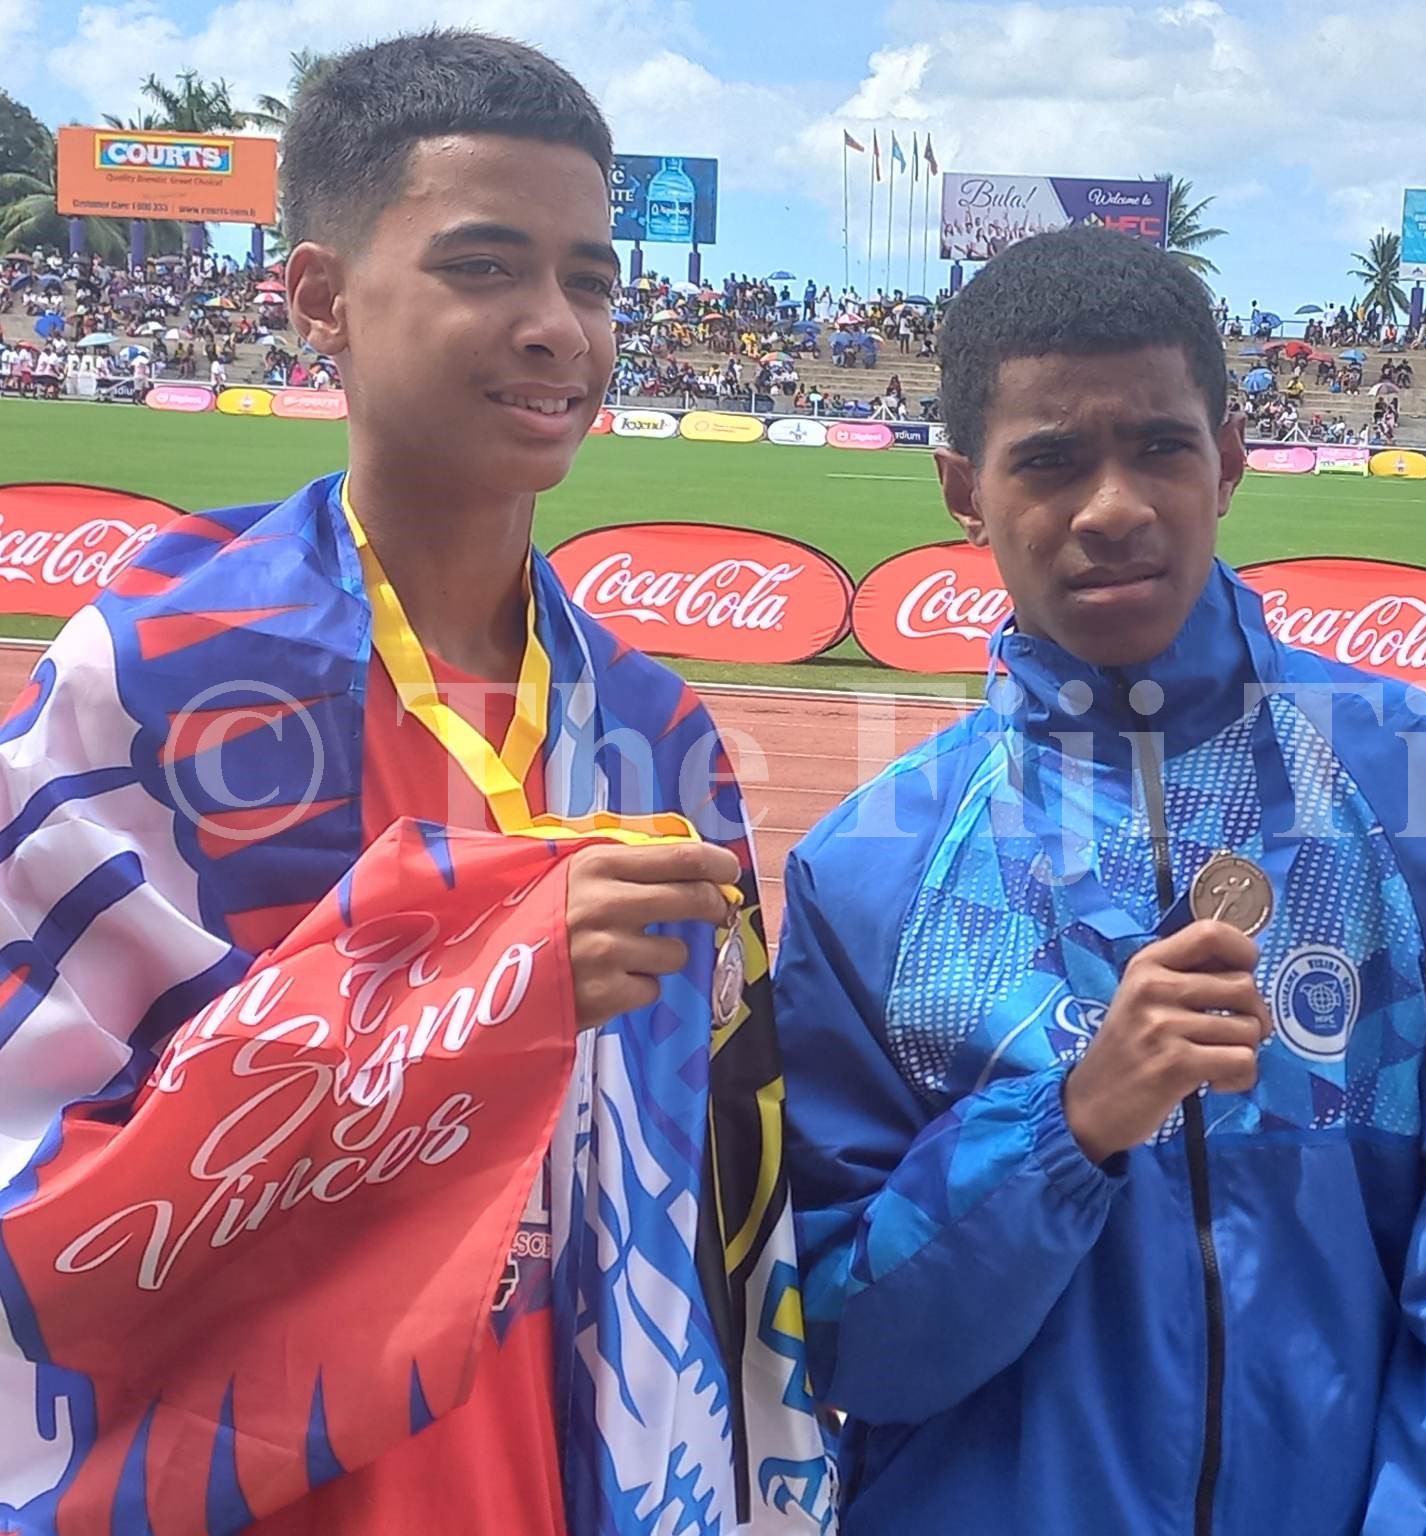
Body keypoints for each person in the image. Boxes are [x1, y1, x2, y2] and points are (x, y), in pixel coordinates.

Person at [0, 31, 830, 1534]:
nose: (555, 328)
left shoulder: (656, 734)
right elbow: (34, 1183)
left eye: (591, 281)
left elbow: (725, 1196)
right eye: (484, 267)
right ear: (319, 296)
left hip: (572, 1469)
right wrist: (480, 995)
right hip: (261, 1485)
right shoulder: (161, 673)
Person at [775, 225, 1426, 1534]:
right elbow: (850, 1343)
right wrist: (1075, 1125)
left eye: (1158, 445)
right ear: (962, 488)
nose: (1114, 506)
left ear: (1226, 454)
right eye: (1049, 461)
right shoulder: (866, 870)